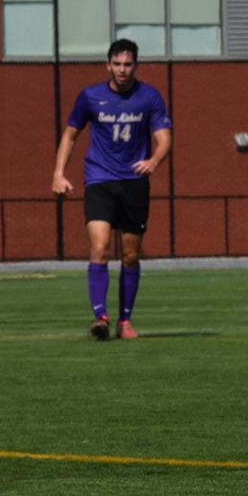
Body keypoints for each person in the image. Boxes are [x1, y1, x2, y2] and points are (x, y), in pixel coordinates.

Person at [52, 38, 173, 340]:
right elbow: (70, 135)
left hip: (133, 183)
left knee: (130, 255)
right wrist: (58, 173)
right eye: (116, 64)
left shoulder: (149, 97)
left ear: (135, 66)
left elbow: (165, 138)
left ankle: (125, 321)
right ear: (108, 65)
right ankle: (100, 317)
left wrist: (154, 161)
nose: (122, 69)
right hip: (99, 179)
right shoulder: (90, 97)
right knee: (100, 247)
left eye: (127, 64)